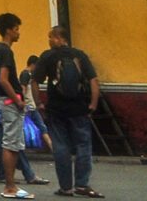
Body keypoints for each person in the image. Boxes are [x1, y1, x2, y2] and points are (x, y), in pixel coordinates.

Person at [35, 25, 102, 199]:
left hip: (56, 110)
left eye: (51, 37)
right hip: (79, 108)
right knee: (83, 145)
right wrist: (93, 104)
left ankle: (65, 187)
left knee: (60, 147)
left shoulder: (48, 56)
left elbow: (34, 81)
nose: (49, 41)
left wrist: (39, 103)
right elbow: (94, 80)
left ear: (59, 37)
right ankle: (82, 184)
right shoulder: (80, 55)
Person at [0, 12, 46, 198]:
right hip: (10, 100)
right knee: (11, 144)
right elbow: (4, 80)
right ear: (8, 30)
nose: (18, 33)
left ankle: (10, 185)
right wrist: (18, 99)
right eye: (16, 29)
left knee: (11, 143)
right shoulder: (6, 51)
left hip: (3, 99)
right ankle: (10, 186)